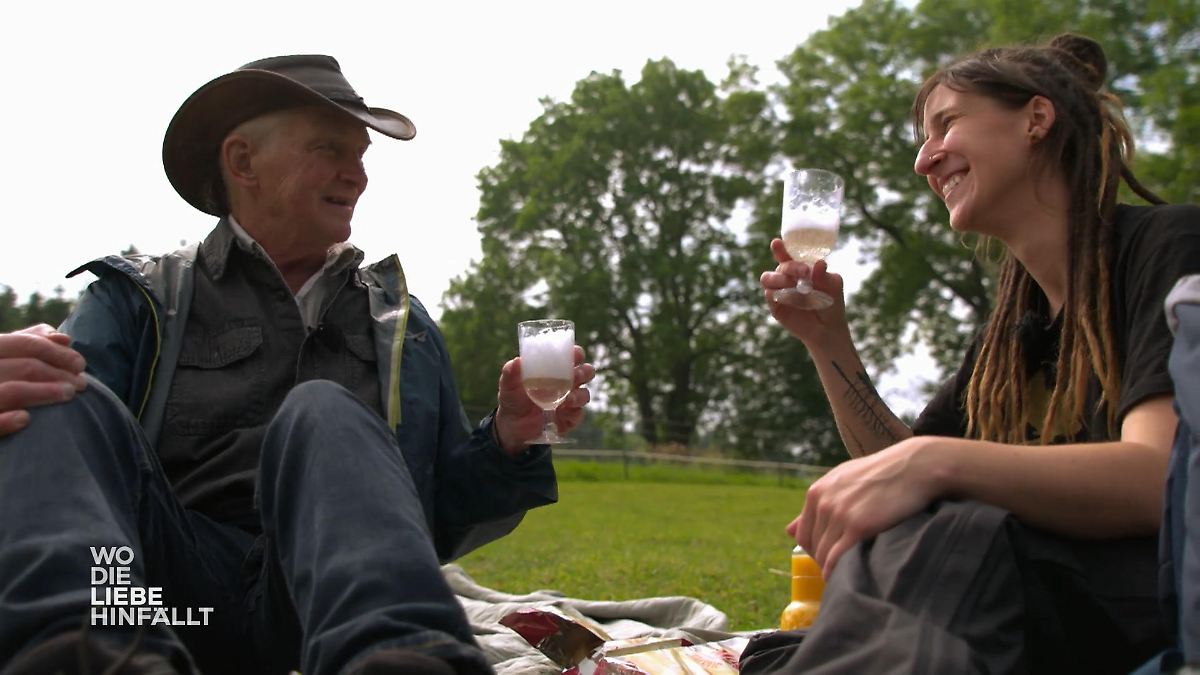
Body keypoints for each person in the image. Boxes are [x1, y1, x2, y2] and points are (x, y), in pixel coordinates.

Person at [0, 55, 595, 675]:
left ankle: (407, 660)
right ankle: (82, 654)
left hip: (324, 607)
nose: (357, 175)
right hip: (156, 600)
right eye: (329, 148)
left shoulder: (405, 328)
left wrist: (509, 438)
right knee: (50, 387)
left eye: (363, 155)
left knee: (324, 409)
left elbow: (434, 519)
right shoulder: (138, 300)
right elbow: (59, 471)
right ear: (242, 162)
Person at [742, 34, 1200, 674]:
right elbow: (897, 469)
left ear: (1037, 119)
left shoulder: (1166, 247)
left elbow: (1161, 482)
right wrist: (827, 340)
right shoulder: (1016, 325)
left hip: (1146, 595)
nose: (924, 161)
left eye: (946, 123)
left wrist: (936, 464)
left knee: (953, 536)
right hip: (1026, 602)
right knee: (904, 543)